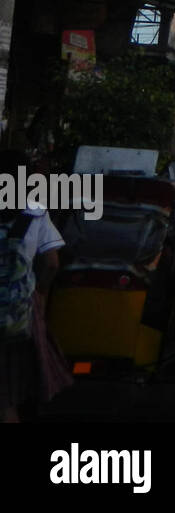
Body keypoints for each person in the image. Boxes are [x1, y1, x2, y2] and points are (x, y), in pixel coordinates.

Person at [0, 150, 73, 422]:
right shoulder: (33, 211)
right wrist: (40, 293)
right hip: (19, 314)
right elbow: (52, 263)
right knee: (14, 391)